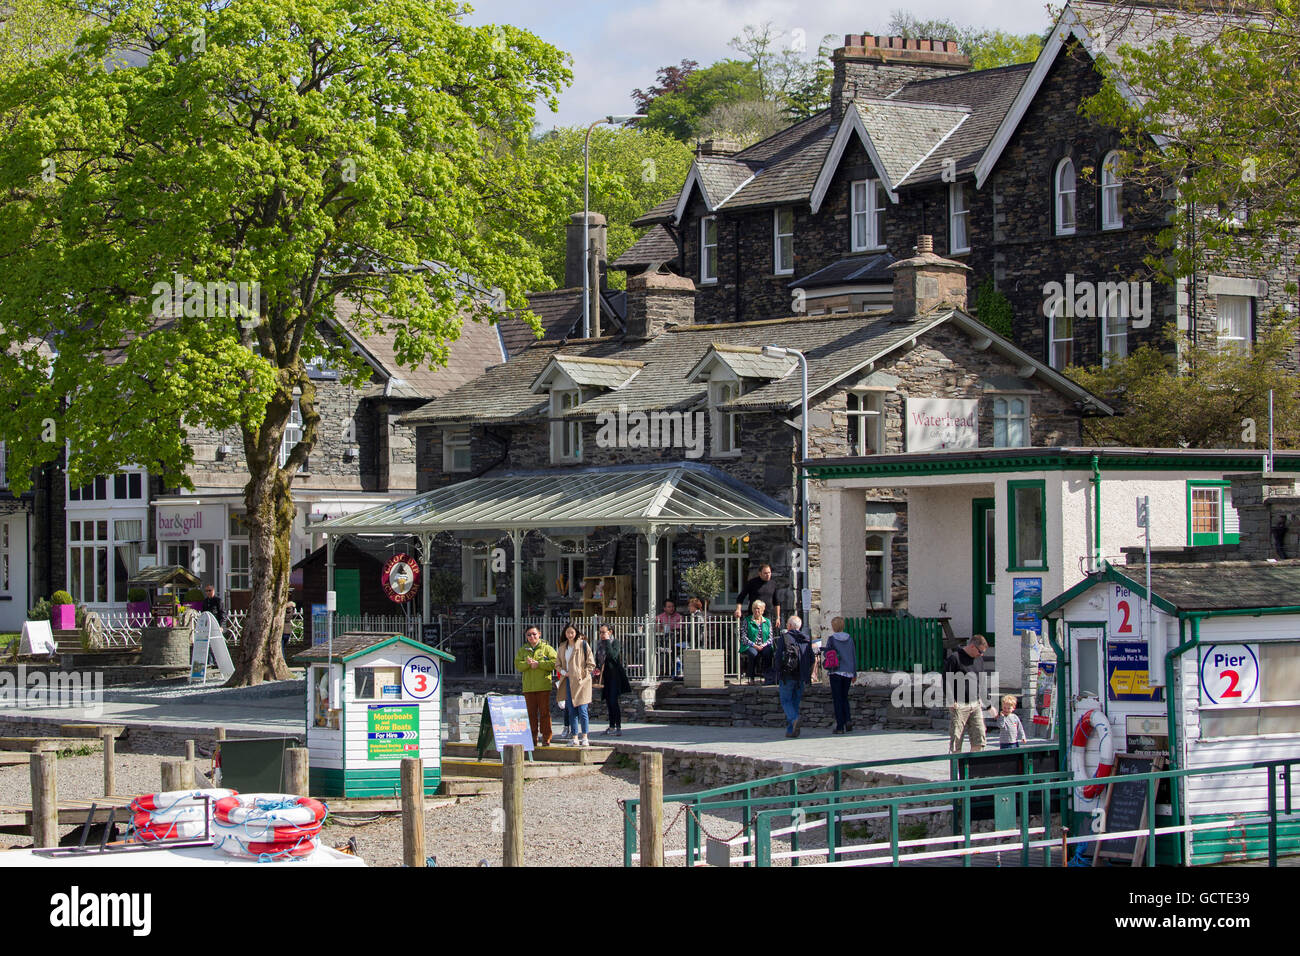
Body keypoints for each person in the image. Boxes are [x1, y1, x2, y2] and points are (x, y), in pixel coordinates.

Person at [944, 635, 995, 753]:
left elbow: (982, 683)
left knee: (979, 737)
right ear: (972, 646)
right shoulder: (955, 658)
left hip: (975, 704)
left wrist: (988, 705)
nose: (981, 654)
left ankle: (974, 769)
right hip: (959, 705)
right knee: (956, 740)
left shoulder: (979, 659)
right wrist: (951, 700)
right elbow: (946, 680)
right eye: (980, 651)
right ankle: (956, 769)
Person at [513, 626, 558, 748]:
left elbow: (555, 662)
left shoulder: (546, 648)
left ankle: (546, 737)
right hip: (528, 687)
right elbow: (518, 664)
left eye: (534, 634)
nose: (531, 637)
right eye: (529, 635)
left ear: (539, 634)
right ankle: (532, 738)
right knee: (531, 714)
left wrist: (539, 664)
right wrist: (527, 664)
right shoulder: (523, 650)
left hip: (543, 686)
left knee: (544, 713)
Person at [773, 615, 813, 738]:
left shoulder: (785, 638)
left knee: (785, 700)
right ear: (799, 626)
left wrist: (777, 672)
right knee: (795, 702)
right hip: (801, 675)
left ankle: (794, 719)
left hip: (787, 674)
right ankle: (791, 730)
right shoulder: (806, 639)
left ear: (789, 626)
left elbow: (778, 657)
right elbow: (811, 658)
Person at [556, 626, 595, 748]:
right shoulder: (562, 647)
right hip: (568, 680)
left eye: (572, 632)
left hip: (581, 682)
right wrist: (563, 673)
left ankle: (585, 736)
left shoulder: (583, 645)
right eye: (567, 632)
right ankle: (574, 737)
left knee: (583, 709)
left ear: (576, 633)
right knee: (571, 710)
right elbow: (557, 664)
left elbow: (591, 663)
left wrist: (582, 674)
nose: (570, 634)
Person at [821, 617, 857, 734]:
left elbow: (828, 653)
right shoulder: (850, 639)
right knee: (844, 697)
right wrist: (854, 673)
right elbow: (853, 655)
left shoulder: (832, 639)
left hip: (835, 671)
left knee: (837, 699)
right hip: (847, 671)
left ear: (833, 627)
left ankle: (840, 726)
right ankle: (848, 720)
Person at [593, 624, 630, 737]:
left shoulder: (615, 642)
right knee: (608, 701)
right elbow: (598, 659)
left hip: (615, 675)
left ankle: (618, 727)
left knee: (614, 701)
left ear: (610, 632)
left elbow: (612, 655)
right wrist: (597, 669)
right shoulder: (600, 644)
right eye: (600, 632)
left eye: (604, 632)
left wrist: (608, 641)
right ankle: (611, 726)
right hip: (606, 676)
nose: (602, 635)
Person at [740, 600, 774, 684]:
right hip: (750, 645)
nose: (756, 611)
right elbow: (743, 637)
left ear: (762, 610)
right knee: (753, 653)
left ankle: (767, 676)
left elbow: (770, 637)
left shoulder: (767, 622)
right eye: (754, 608)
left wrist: (763, 645)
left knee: (768, 652)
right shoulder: (747, 620)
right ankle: (751, 677)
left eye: (758, 609)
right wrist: (754, 645)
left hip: (764, 645)